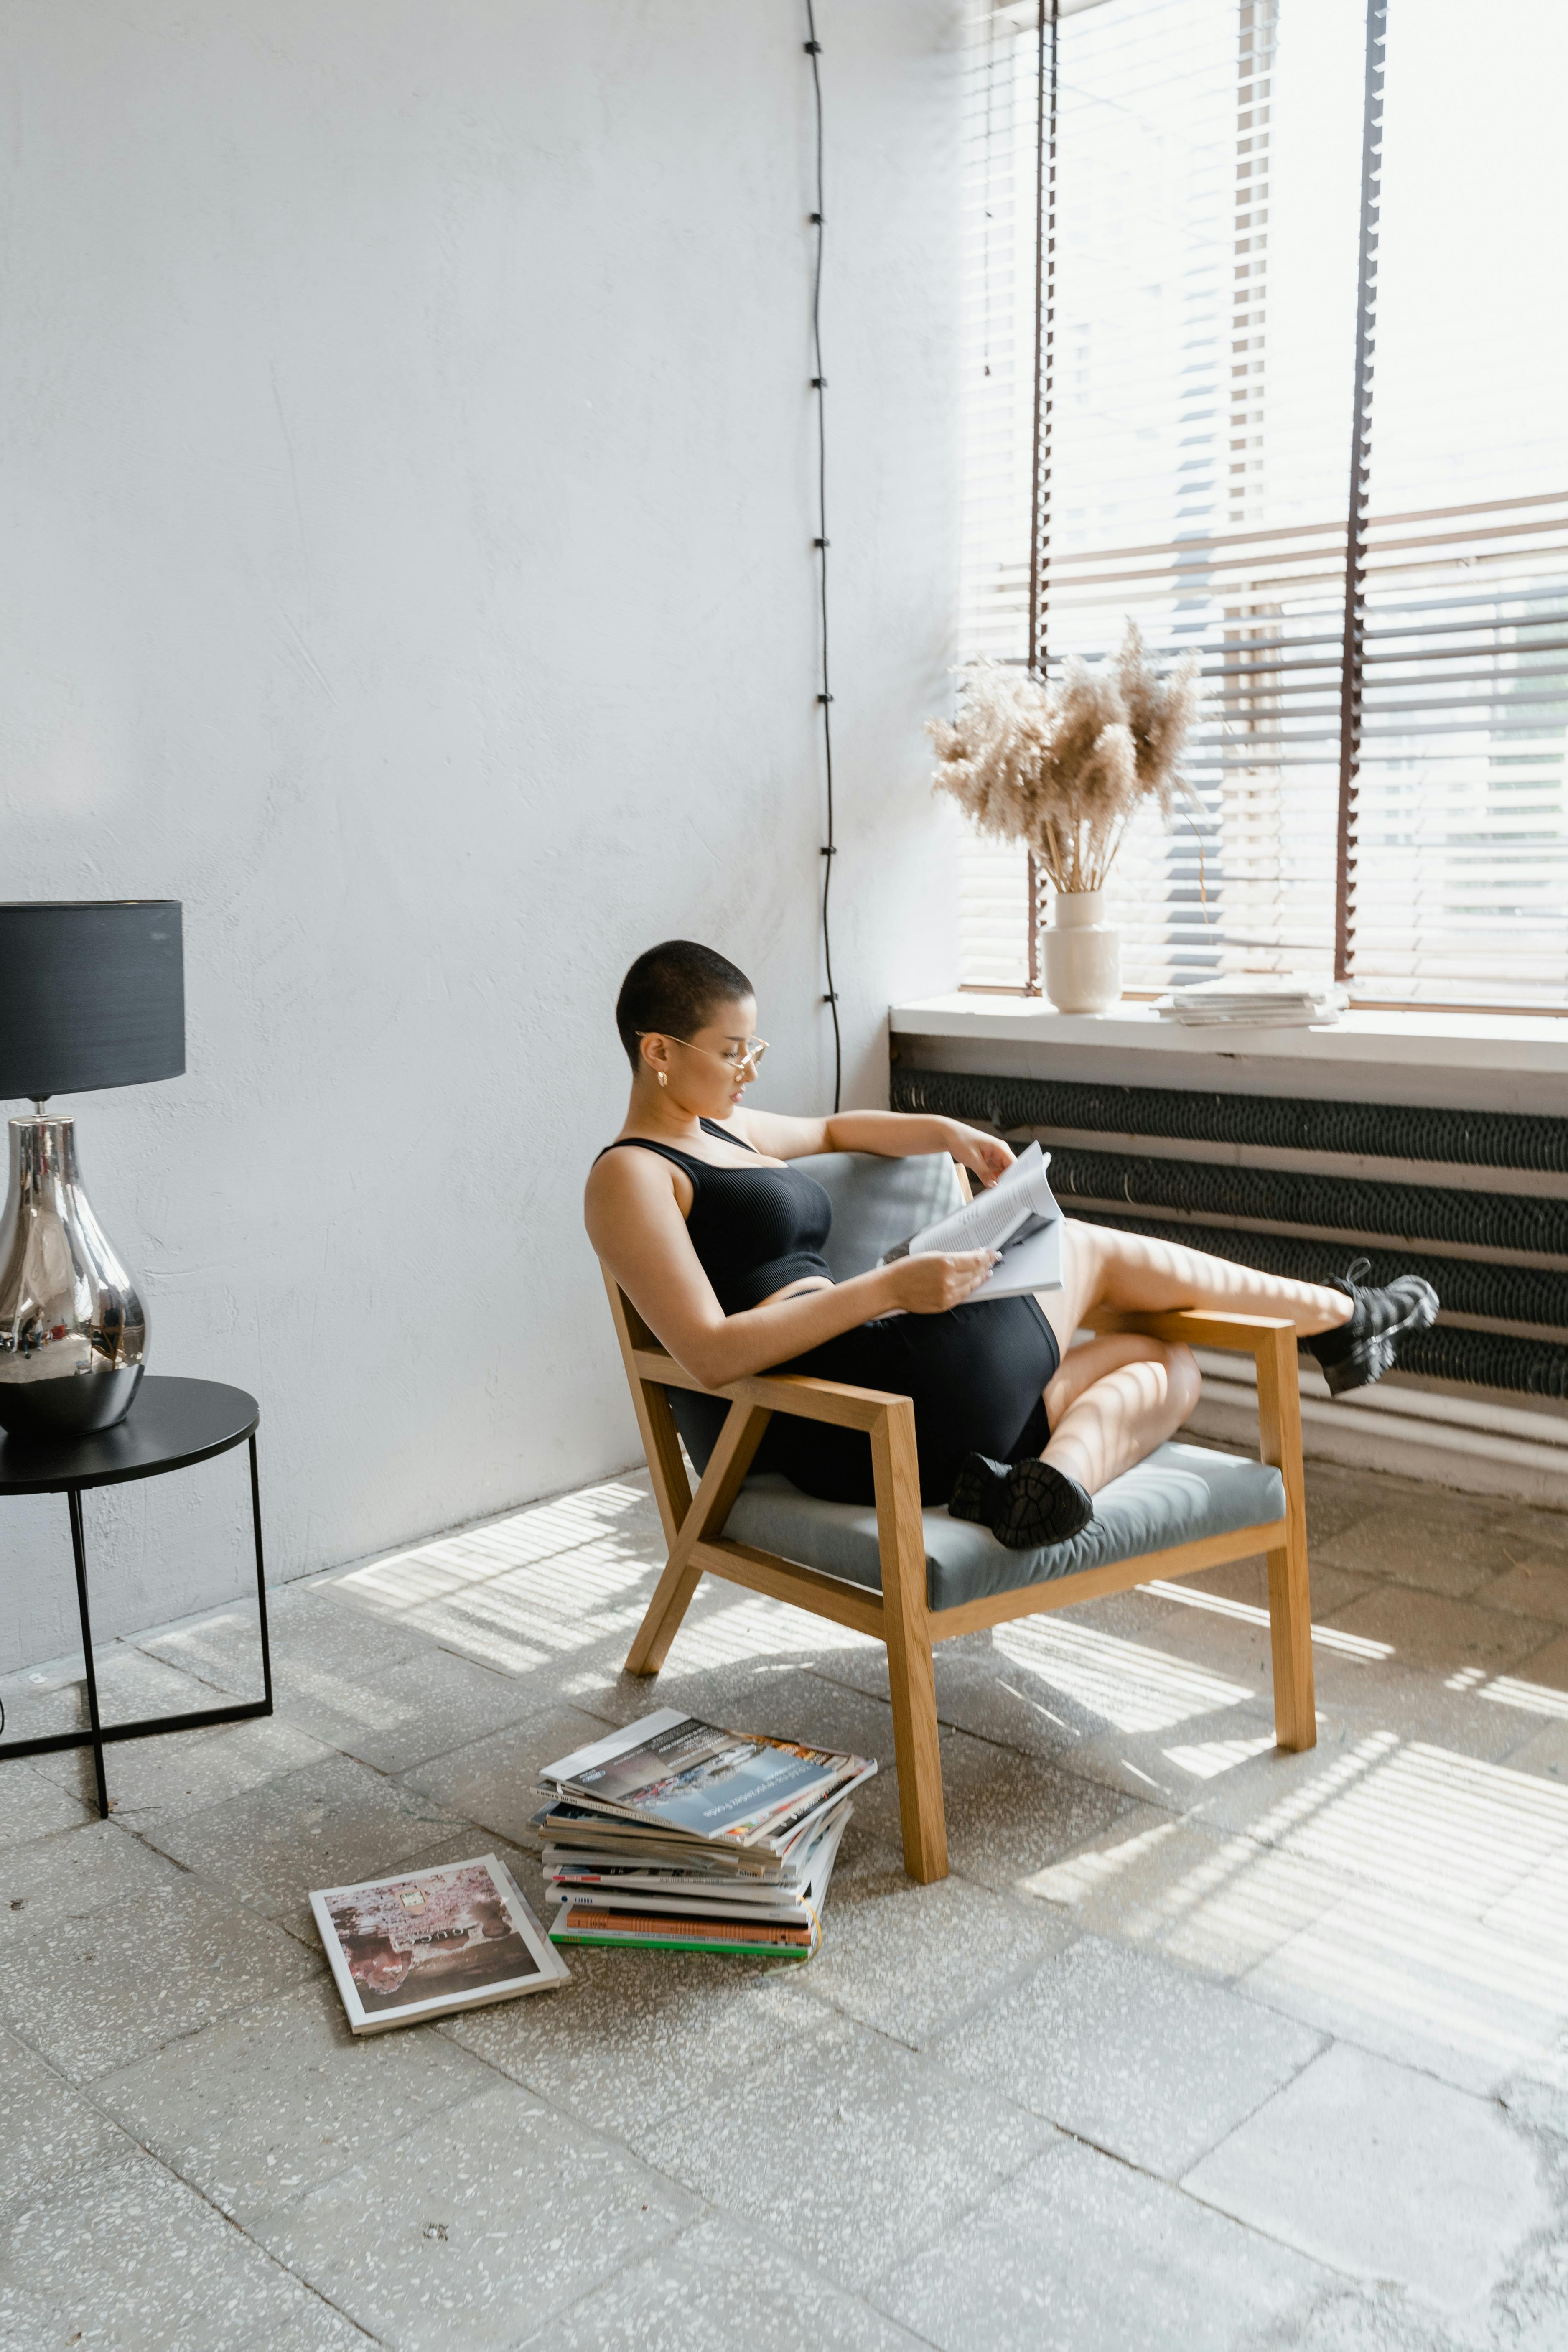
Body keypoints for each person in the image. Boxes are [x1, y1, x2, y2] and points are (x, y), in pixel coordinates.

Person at [585, 941, 1438, 1549]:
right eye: (732, 1051)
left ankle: (1042, 1487)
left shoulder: (727, 1131)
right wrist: (889, 1290)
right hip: (846, 1412)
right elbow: (704, 1352)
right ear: (658, 1051)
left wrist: (946, 1132)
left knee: (1164, 1361)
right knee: (1082, 1248)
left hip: (929, 1421)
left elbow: (837, 1125)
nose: (751, 1070)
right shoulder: (630, 1176)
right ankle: (1339, 1316)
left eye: (754, 1047)